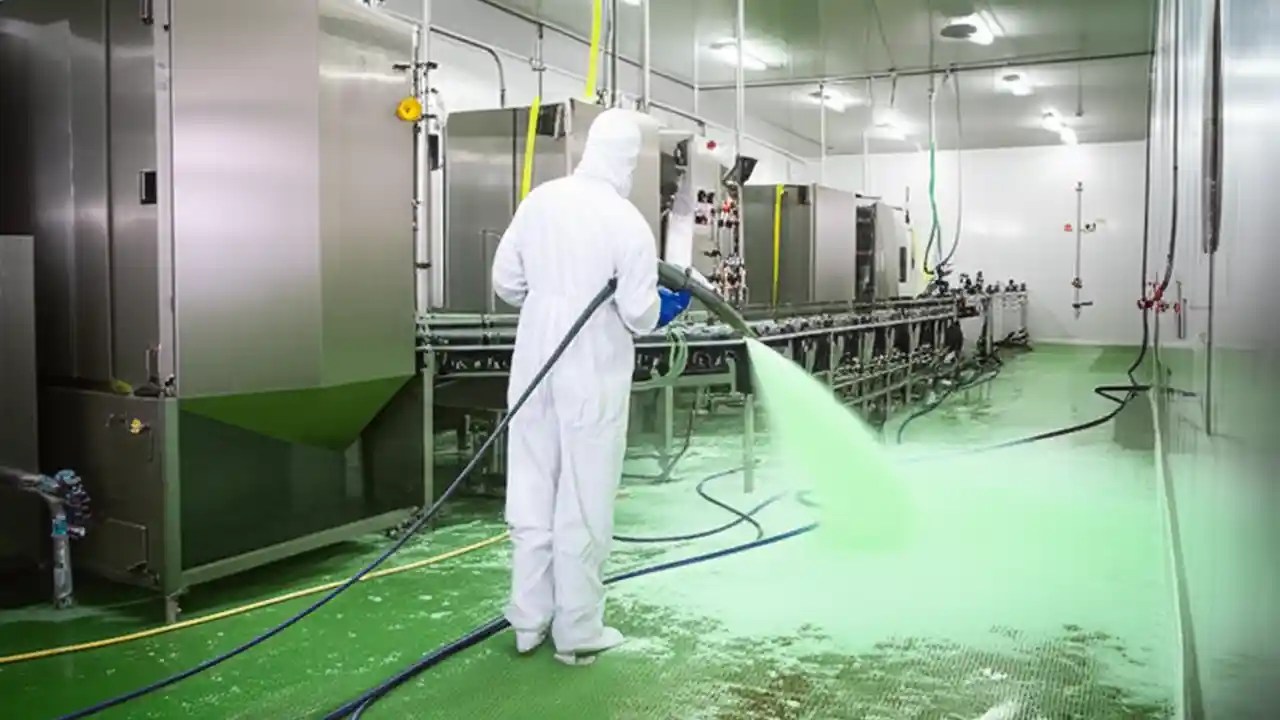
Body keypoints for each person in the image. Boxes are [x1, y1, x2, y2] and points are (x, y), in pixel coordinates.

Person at [491, 109, 691, 666]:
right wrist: (663, 309)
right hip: (593, 369)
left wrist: (551, 293)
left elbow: (506, 283)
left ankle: (528, 621)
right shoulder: (626, 220)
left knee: (531, 487)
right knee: (584, 495)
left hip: (534, 360)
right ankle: (577, 630)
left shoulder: (541, 201)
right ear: (627, 160)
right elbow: (638, 312)